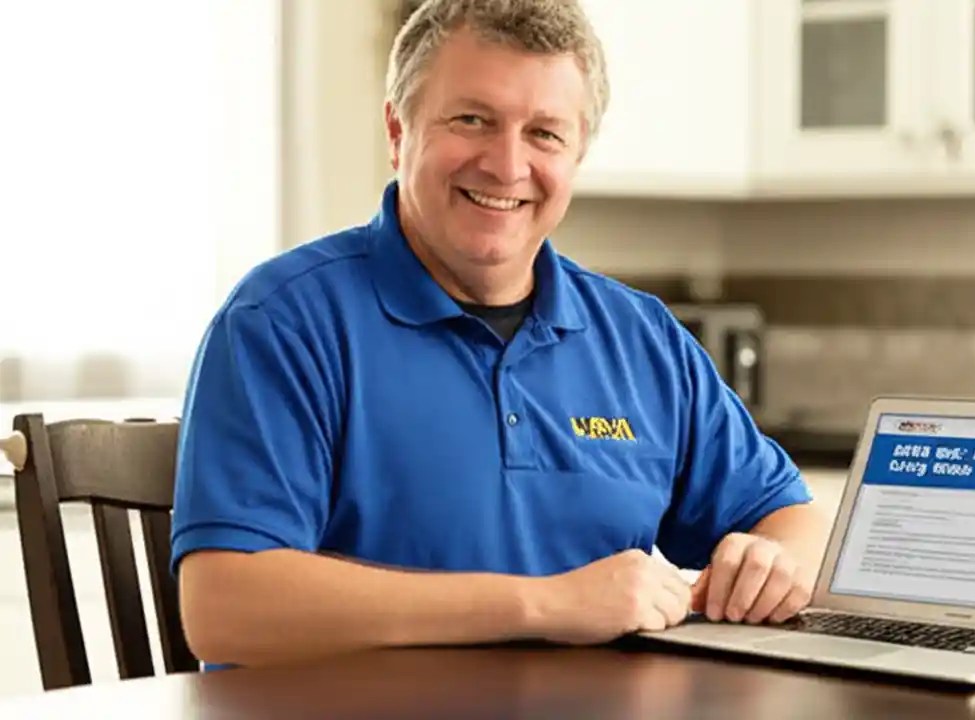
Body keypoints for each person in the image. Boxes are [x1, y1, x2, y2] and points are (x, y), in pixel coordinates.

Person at [172, 0, 827, 668]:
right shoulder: (281, 322)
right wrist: (543, 605)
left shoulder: (642, 340)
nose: (507, 165)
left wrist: (776, 562)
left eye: (544, 134)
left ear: (577, 155)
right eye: (472, 120)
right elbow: (225, 606)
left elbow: (789, 518)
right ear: (398, 131)